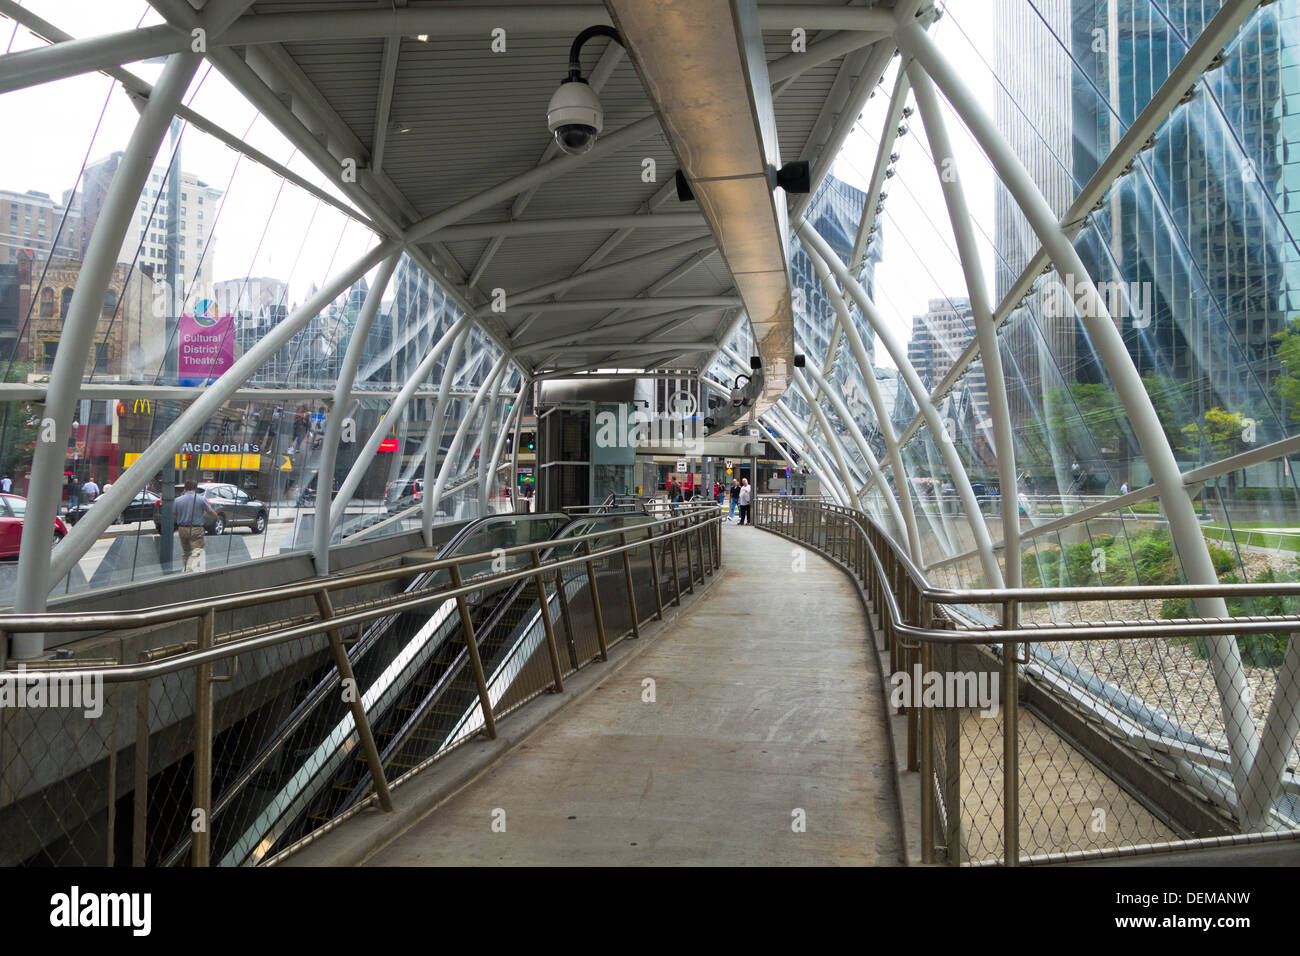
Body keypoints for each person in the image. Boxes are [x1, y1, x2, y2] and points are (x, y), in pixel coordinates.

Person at [173, 480, 219, 573]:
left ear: (185, 488)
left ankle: (185, 568)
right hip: (196, 528)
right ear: (195, 489)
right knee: (197, 550)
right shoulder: (201, 499)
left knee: (186, 551)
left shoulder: (177, 500)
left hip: (182, 528)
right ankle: (188, 569)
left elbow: (174, 513)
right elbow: (210, 511)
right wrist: (216, 516)